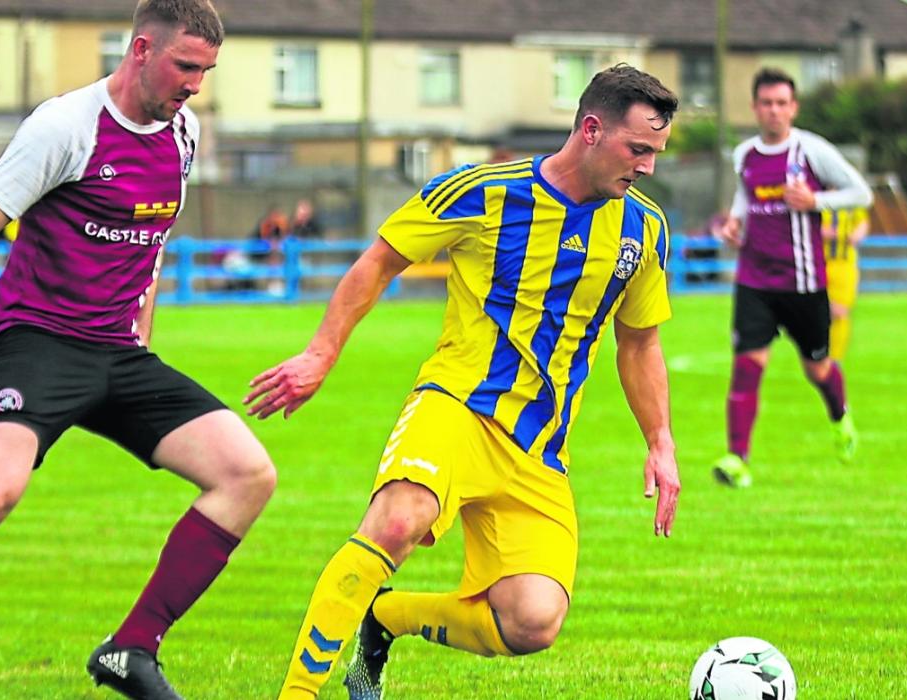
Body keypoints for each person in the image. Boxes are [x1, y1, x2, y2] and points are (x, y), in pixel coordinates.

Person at [0, 3, 277, 700]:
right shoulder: (65, 127)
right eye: (185, 66)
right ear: (141, 50)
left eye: (207, 71)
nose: (196, 85)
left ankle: (132, 650)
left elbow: (153, 242)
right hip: (36, 343)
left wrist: (143, 341)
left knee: (248, 475)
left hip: (118, 353)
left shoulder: (185, 135)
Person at [246, 64, 682, 700]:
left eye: (655, 154)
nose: (647, 167)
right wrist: (320, 353)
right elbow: (379, 262)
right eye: (637, 149)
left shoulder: (644, 230)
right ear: (591, 130)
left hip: (538, 447)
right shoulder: (482, 191)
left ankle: (384, 618)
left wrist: (661, 440)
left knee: (532, 620)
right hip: (456, 405)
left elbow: (639, 341)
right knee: (397, 521)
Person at [710, 68, 873, 489]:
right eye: (766, 103)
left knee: (817, 369)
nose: (774, 111)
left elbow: (861, 193)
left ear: (793, 107)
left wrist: (816, 199)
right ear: (754, 107)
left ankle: (841, 418)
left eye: (782, 103)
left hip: (803, 285)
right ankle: (737, 459)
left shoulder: (811, 151)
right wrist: (732, 228)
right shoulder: (744, 154)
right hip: (754, 282)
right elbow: (743, 204)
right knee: (747, 367)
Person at [821, 205, 870, 361]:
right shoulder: (814, 197)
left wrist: (857, 234)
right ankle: (818, 354)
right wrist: (820, 231)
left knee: (840, 312)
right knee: (816, 313)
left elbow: (863, 222)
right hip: (818, 263)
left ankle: (834, 359)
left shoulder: (850, 198)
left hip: (844, 264)